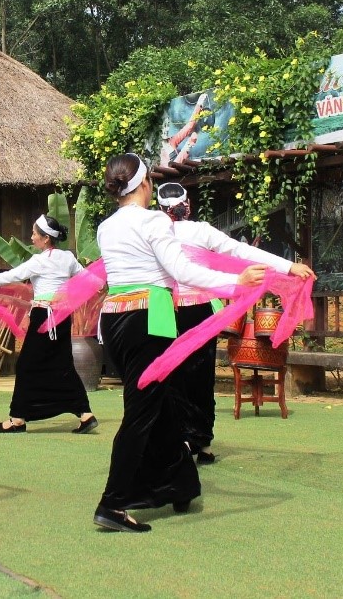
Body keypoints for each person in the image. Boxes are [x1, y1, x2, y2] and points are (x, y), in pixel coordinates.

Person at [91, 153, 267, 533]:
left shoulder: (106, 227)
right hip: (149, 317)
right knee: (142, 412)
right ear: (144, 184)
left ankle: (178, 485)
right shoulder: (154, 220)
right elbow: (181, 270)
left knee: (162, 404)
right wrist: (234, 285)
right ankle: (113, 503)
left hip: (114, 318)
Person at [156, 182, 314, 464]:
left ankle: (180, 439)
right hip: (202, 310)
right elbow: (241, 251)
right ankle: (202, 443)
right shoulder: (201, 231)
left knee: (172, 375)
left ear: (159, 208)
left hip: (166, 311)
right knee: (201, 377)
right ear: (187, 204)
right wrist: (288, 266)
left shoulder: (153, 233)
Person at [0, 214, 98, 435]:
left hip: (43, 317)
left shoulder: (39, 261)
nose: (31, 237)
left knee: (25, 365)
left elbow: (11, 275)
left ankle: (18, 419)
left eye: (34, 234)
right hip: (61, 319)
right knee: (62, 365)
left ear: (45, 239)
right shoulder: (68, 258)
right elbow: (90, 281)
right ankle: (85, 414)